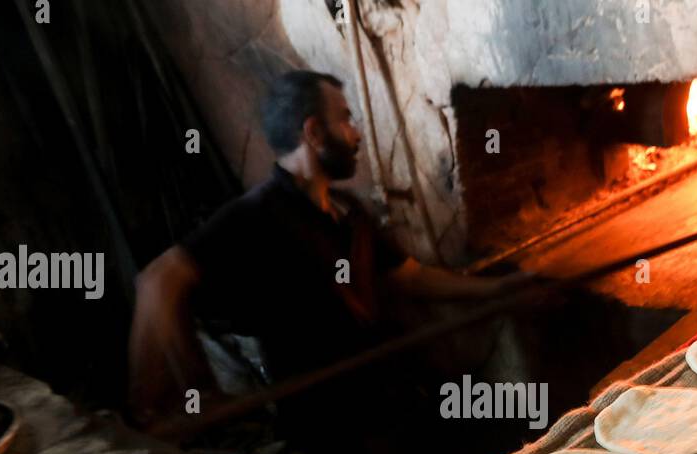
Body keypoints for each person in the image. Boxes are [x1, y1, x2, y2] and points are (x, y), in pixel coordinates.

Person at [127, 68, 528, 424]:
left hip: (389, 396)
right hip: (328, 423)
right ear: (314, 132)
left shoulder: (347, 210)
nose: (356, 133)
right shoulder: (255, 216)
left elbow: (411, 277)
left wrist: (496, 290)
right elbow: (157, 281)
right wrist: (198, 392)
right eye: (346, 119)